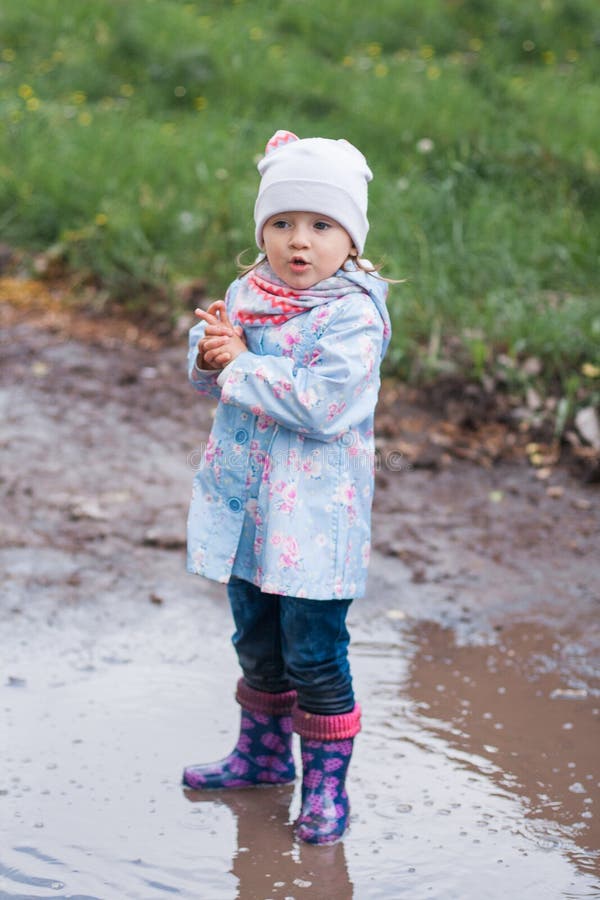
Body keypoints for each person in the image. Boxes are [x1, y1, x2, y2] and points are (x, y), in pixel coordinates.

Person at [182, 129, 391, 845]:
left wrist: (240, 363)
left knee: (314, 655)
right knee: (257, 643)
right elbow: (213, 376)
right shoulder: (249, 292)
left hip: (312, 528)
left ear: (352, 239)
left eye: (321, 225)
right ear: (262, 231)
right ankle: (263, 757)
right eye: (282, 223)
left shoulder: (354, 315)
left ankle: (327, 788)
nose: (299, 242)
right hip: (248, 514)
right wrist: (210, 350)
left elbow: (324, 406)